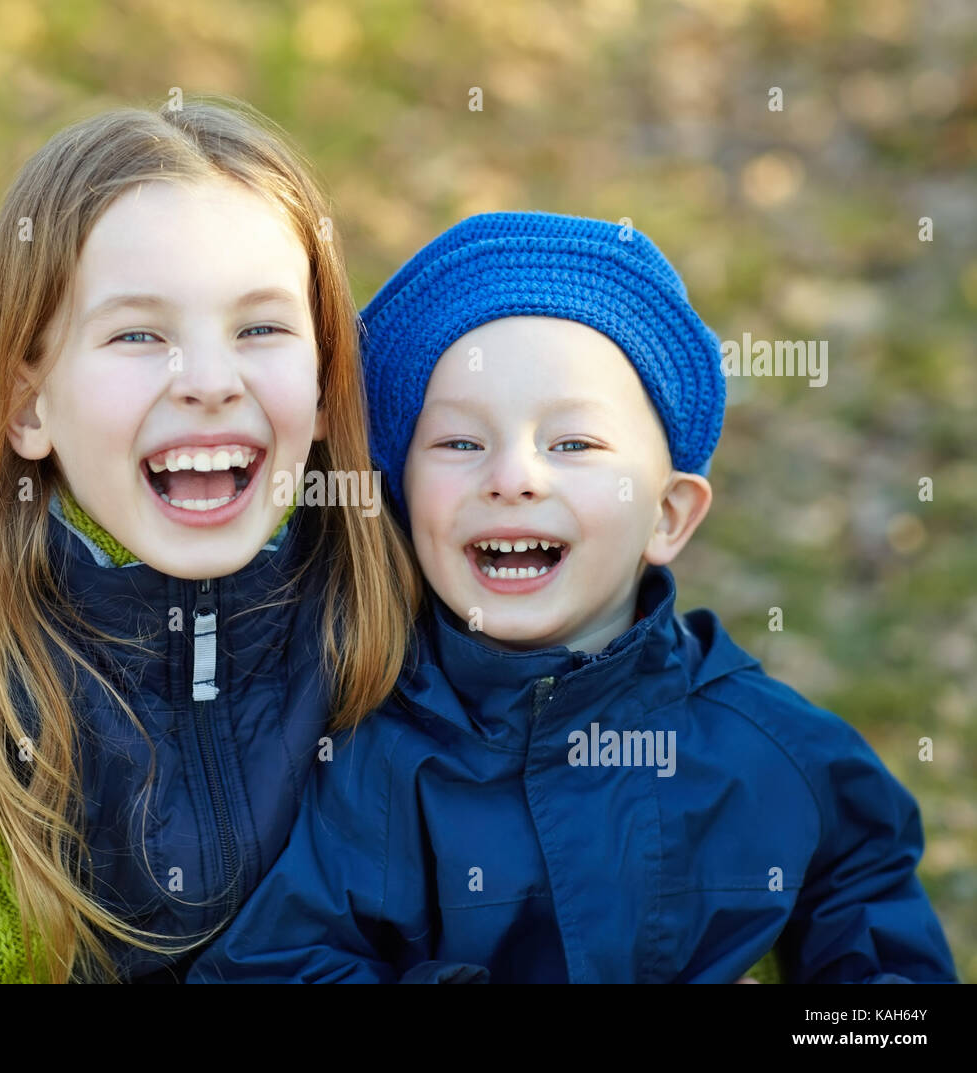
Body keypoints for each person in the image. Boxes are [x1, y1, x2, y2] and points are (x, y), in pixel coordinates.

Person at [188, 212, 959, 983]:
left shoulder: (770, 750)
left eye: (573, 444)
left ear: (667, 514)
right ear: (403, 500)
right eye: (460, 443)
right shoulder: (365, 751)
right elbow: (271, 964)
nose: (513, 475)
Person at [0, 98, 417, 983]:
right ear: (28, 403)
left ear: (329, 380)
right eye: (140, 334)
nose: (210, 381)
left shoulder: (376, 595)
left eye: (260, 328)